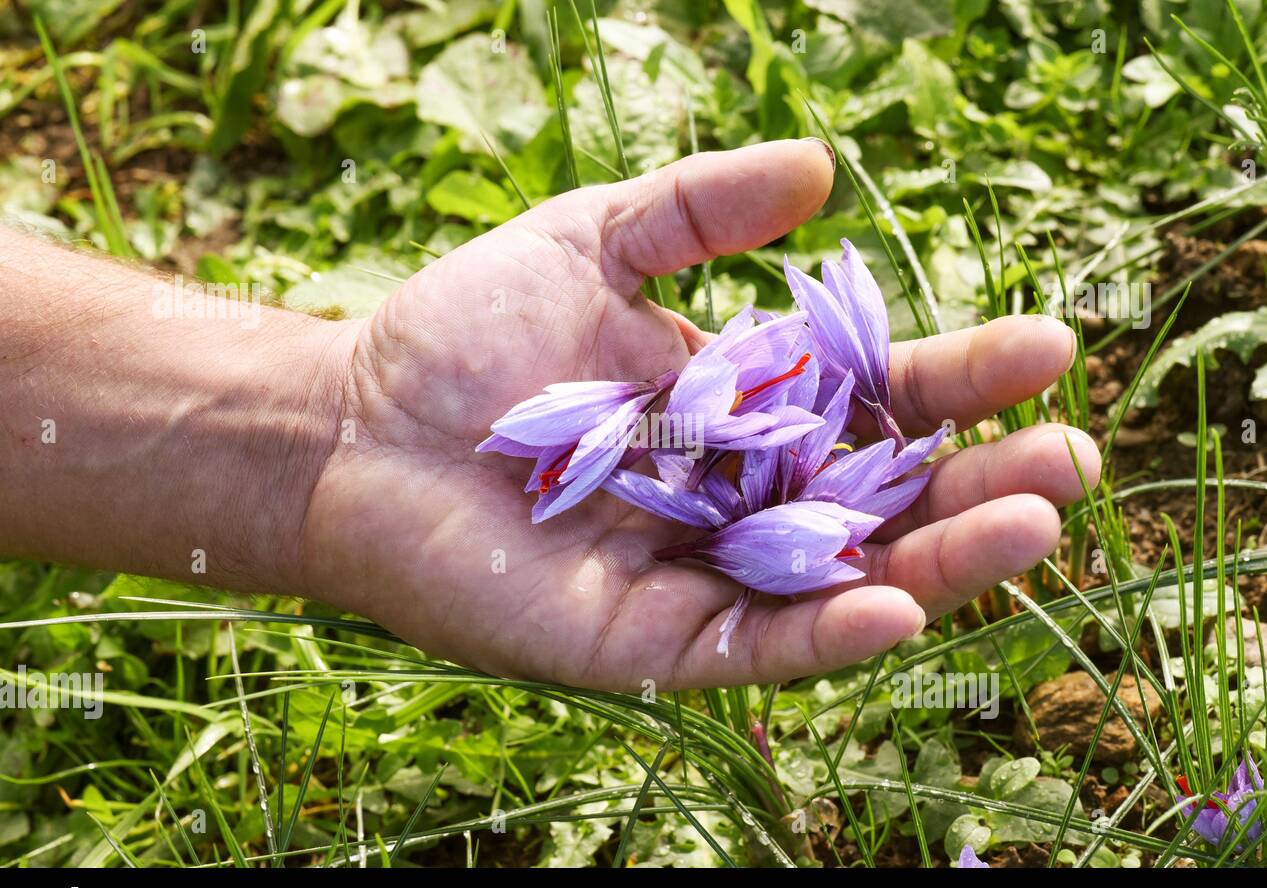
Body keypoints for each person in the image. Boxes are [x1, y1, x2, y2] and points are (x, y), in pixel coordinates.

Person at [0, 139, 1099, 691]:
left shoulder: (686, 438)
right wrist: (340, 431)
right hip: (701, 479)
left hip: (722, 485)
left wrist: (330, 423)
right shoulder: (648, 437)